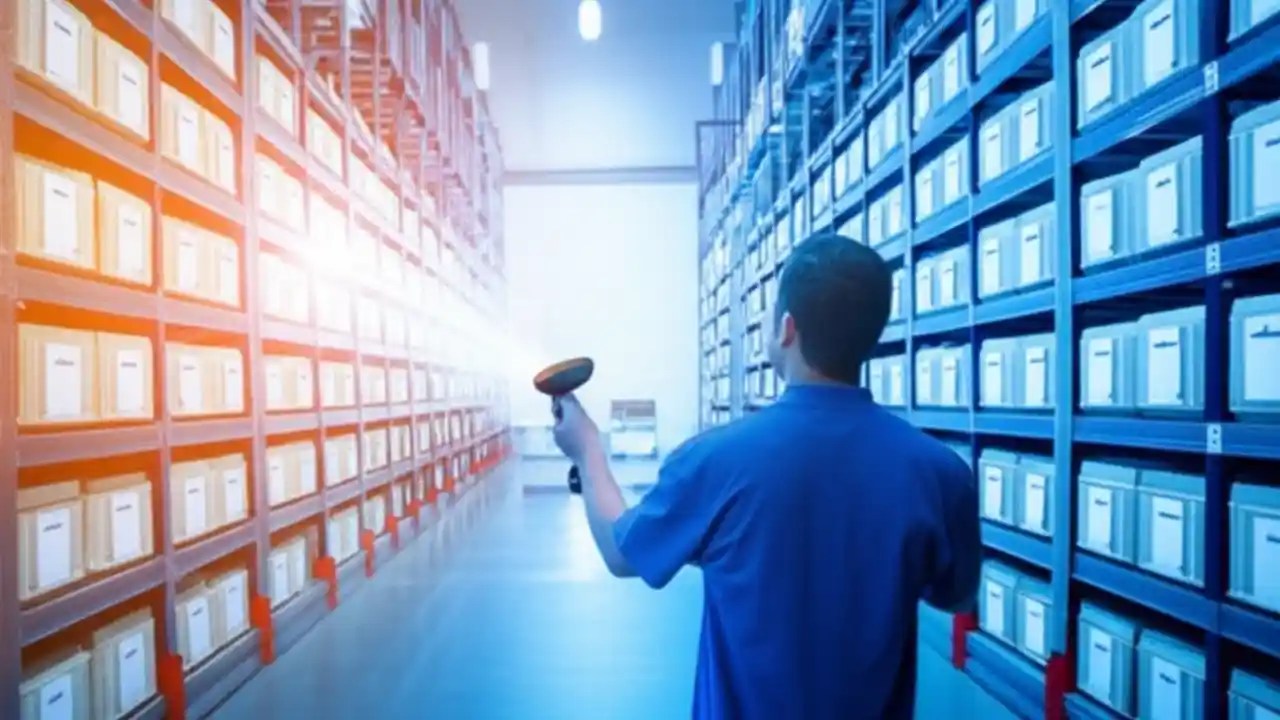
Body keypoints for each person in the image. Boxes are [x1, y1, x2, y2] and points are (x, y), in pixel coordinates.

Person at [551, 232, 981, 720]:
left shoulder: (715, 461)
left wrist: (586, 450)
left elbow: (621, 552)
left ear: (787, 328)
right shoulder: (940, 473)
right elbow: (957, 594)